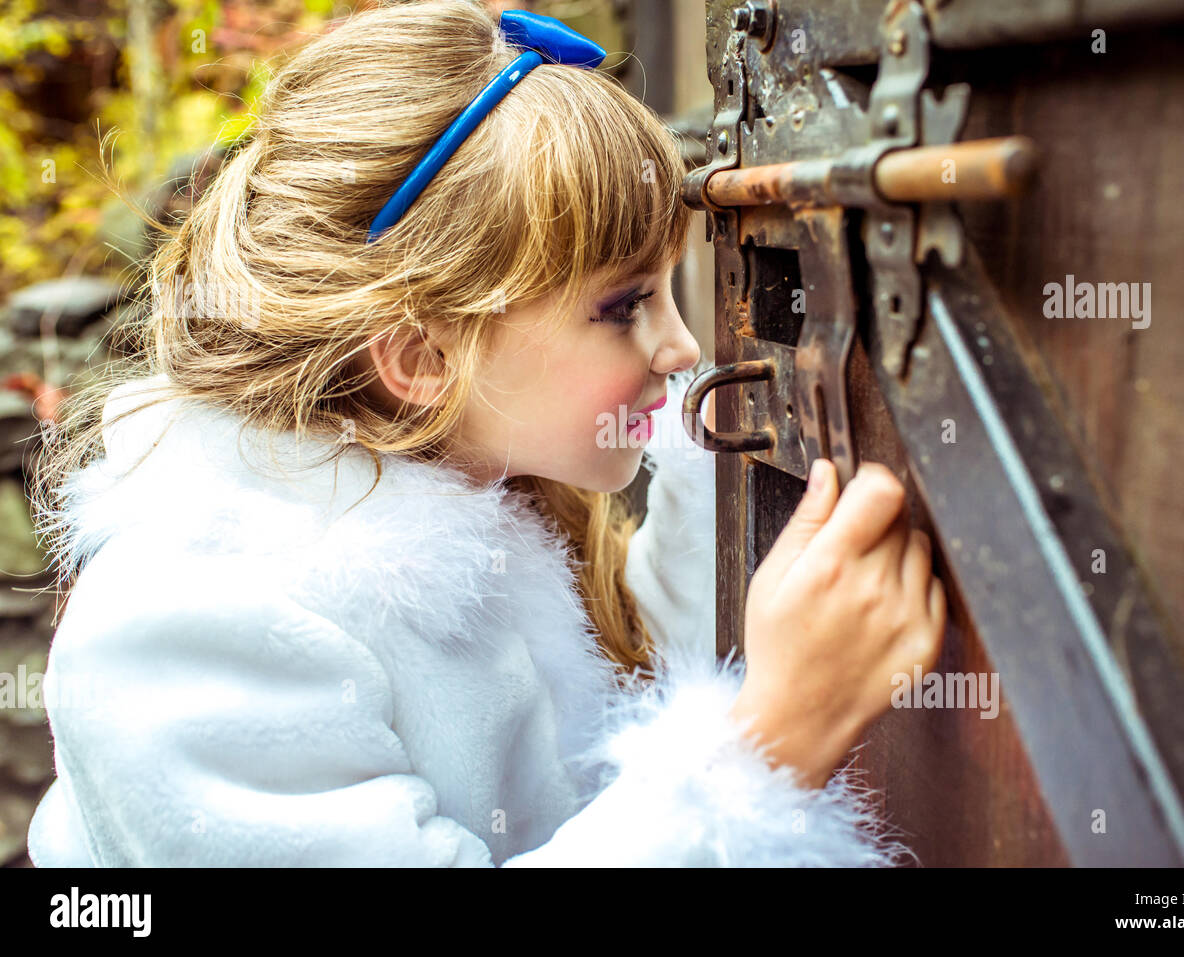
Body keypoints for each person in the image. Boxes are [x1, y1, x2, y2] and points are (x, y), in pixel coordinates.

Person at [26, 1, 944, 867]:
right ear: (422, 359)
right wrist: (769, 743)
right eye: (624, 306)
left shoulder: (482, 497)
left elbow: (615, 719)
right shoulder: (188, 630)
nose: (684, 347)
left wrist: (730, 481)